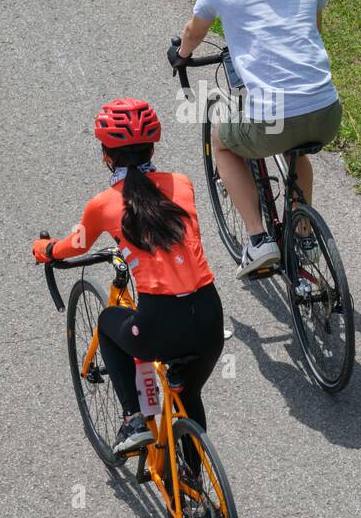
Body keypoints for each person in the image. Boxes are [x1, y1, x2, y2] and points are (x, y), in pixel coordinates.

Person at [32, 98, 224, 456]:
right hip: (210, 319)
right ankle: (196, 491)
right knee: (188, 394)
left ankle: (133, 419)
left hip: (159, 325)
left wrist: (46, 249)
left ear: (107, 155)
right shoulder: (182, 185)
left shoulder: (104, 204)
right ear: (153, 146)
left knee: (107, 322)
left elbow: (75, 245)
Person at [168, 0, 342, 278]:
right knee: (296, 151)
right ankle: (304, 236)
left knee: (223, 142)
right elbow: (312, 33)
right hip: (327, 112)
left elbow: (192, 34)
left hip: (273, 118)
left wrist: (181, 55)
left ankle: (258, 240)